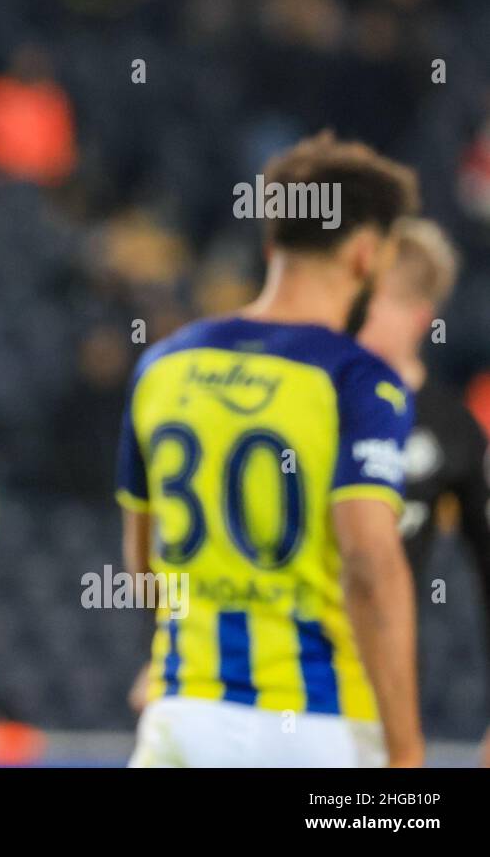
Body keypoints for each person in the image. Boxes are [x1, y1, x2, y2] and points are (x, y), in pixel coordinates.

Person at [117, 132, 423, 766]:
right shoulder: (357, 379)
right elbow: (370, 561)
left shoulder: (163, 364)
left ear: (271, 242)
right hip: (314, 724)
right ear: (367, 255)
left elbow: (142, 569)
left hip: (181, 715)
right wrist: (405, 752)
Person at [357, 218, 490, 766]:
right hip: (276, 671)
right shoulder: (309, 399)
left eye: (376, 301)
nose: (356, 315)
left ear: (420, 315)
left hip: (379, 679)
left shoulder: (453, 431)